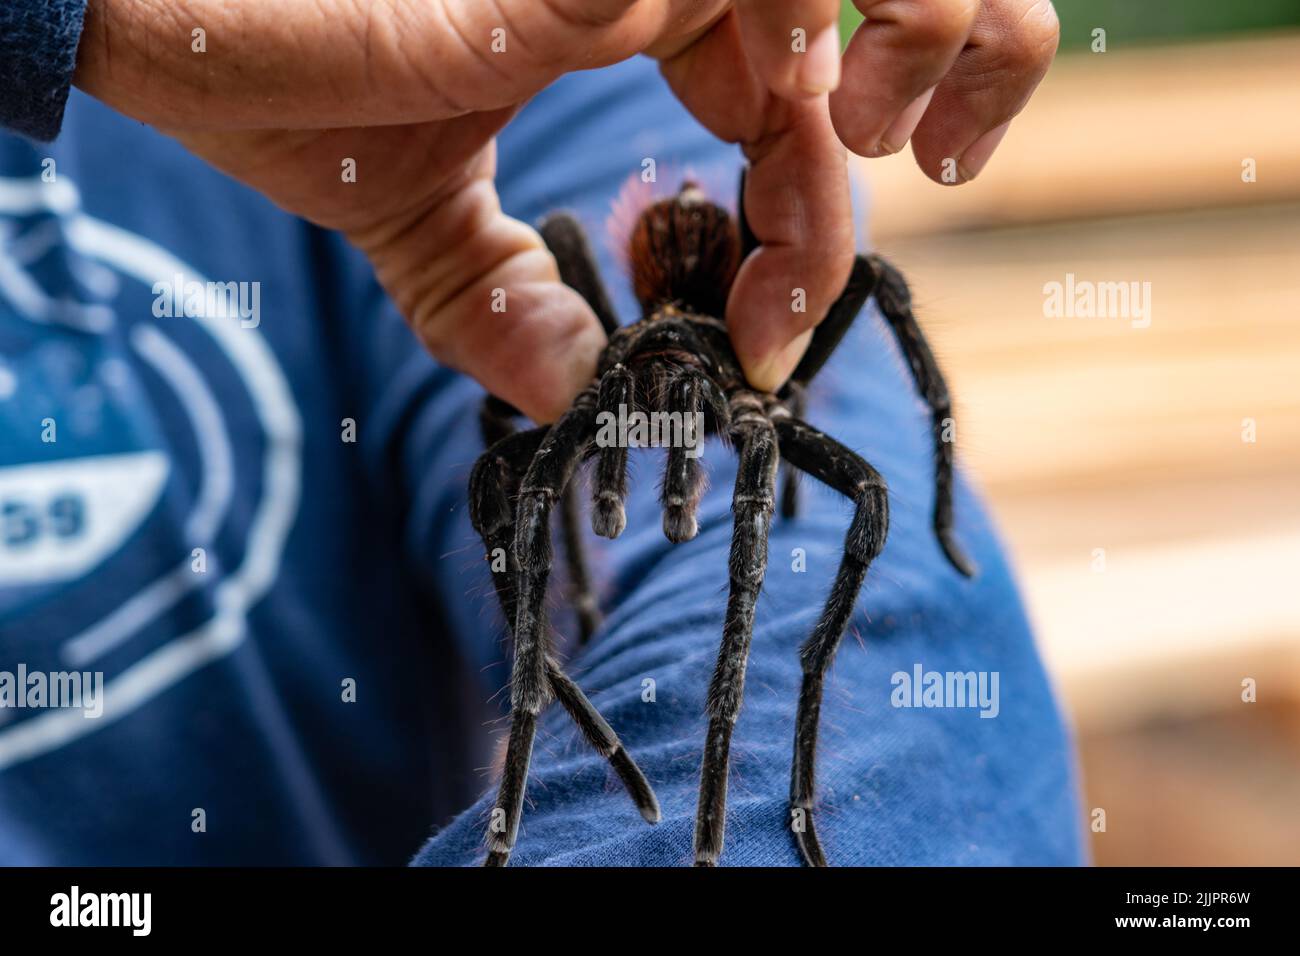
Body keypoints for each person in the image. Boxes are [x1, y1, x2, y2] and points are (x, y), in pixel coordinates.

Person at [0, 0, 1081, 865]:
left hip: (713, 341)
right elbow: (509, 453)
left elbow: (766, 587)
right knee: (521, 468)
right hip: (626, 341)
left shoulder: (574, 69)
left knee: (812, 503)